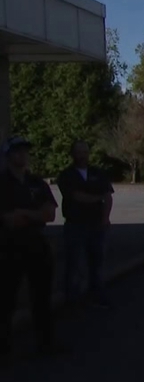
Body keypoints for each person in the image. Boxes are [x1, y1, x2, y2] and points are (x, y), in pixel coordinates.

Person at [0, 136, 60, 361]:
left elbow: (50, 214)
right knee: (7, 297)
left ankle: (46, 342)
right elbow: (8, 219)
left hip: (36, 243)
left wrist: (25, 214)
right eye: (17, 152)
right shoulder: (3, 183)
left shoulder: (37, 183)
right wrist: (32, 215)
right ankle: (4, 347)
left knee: (42, 295)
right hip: (9, 245)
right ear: (8, 156)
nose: (22, 156)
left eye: (25, 151)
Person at [56, 140, 114, 311]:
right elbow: (76, 196)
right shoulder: (66, 175)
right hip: (75, 225)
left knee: (96, 263)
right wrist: (97, 198)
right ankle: (72, 300)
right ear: (73, 154)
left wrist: (105, 218)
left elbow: (108, 196)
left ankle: (97, 295)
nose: (82, 155)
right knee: (74, 264)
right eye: (79, 152)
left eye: (85, 152)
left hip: (97, 225)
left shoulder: (98, 173)